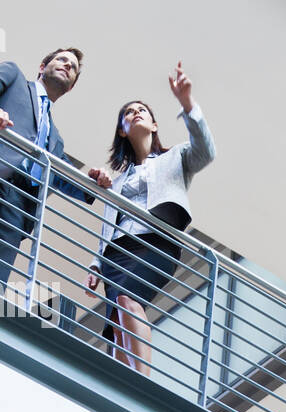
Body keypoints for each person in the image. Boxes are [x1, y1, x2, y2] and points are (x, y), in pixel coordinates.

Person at [86, 61, 215, 375]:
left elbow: (206, 152)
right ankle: (121, 393)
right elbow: (108, 223)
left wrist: (187, 103)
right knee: (117, 325)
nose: (136, 113)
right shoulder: (117, 180)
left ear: (155, 125)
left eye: (142, 110)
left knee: (130, 303)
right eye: (128, 112)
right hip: (115, 255)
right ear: (122, 129)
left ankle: (142, 384)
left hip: (155, 244)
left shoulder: (176, 158)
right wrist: (95, 262)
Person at [0, 49, 110, 292]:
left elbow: (61, 174)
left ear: (71, 86)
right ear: (43, 67)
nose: (67, 66)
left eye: (73, 67)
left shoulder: (56, 140)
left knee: (0, 258)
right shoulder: (14, 77)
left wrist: (93, 183)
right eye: (62, 59)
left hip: (20, 200)